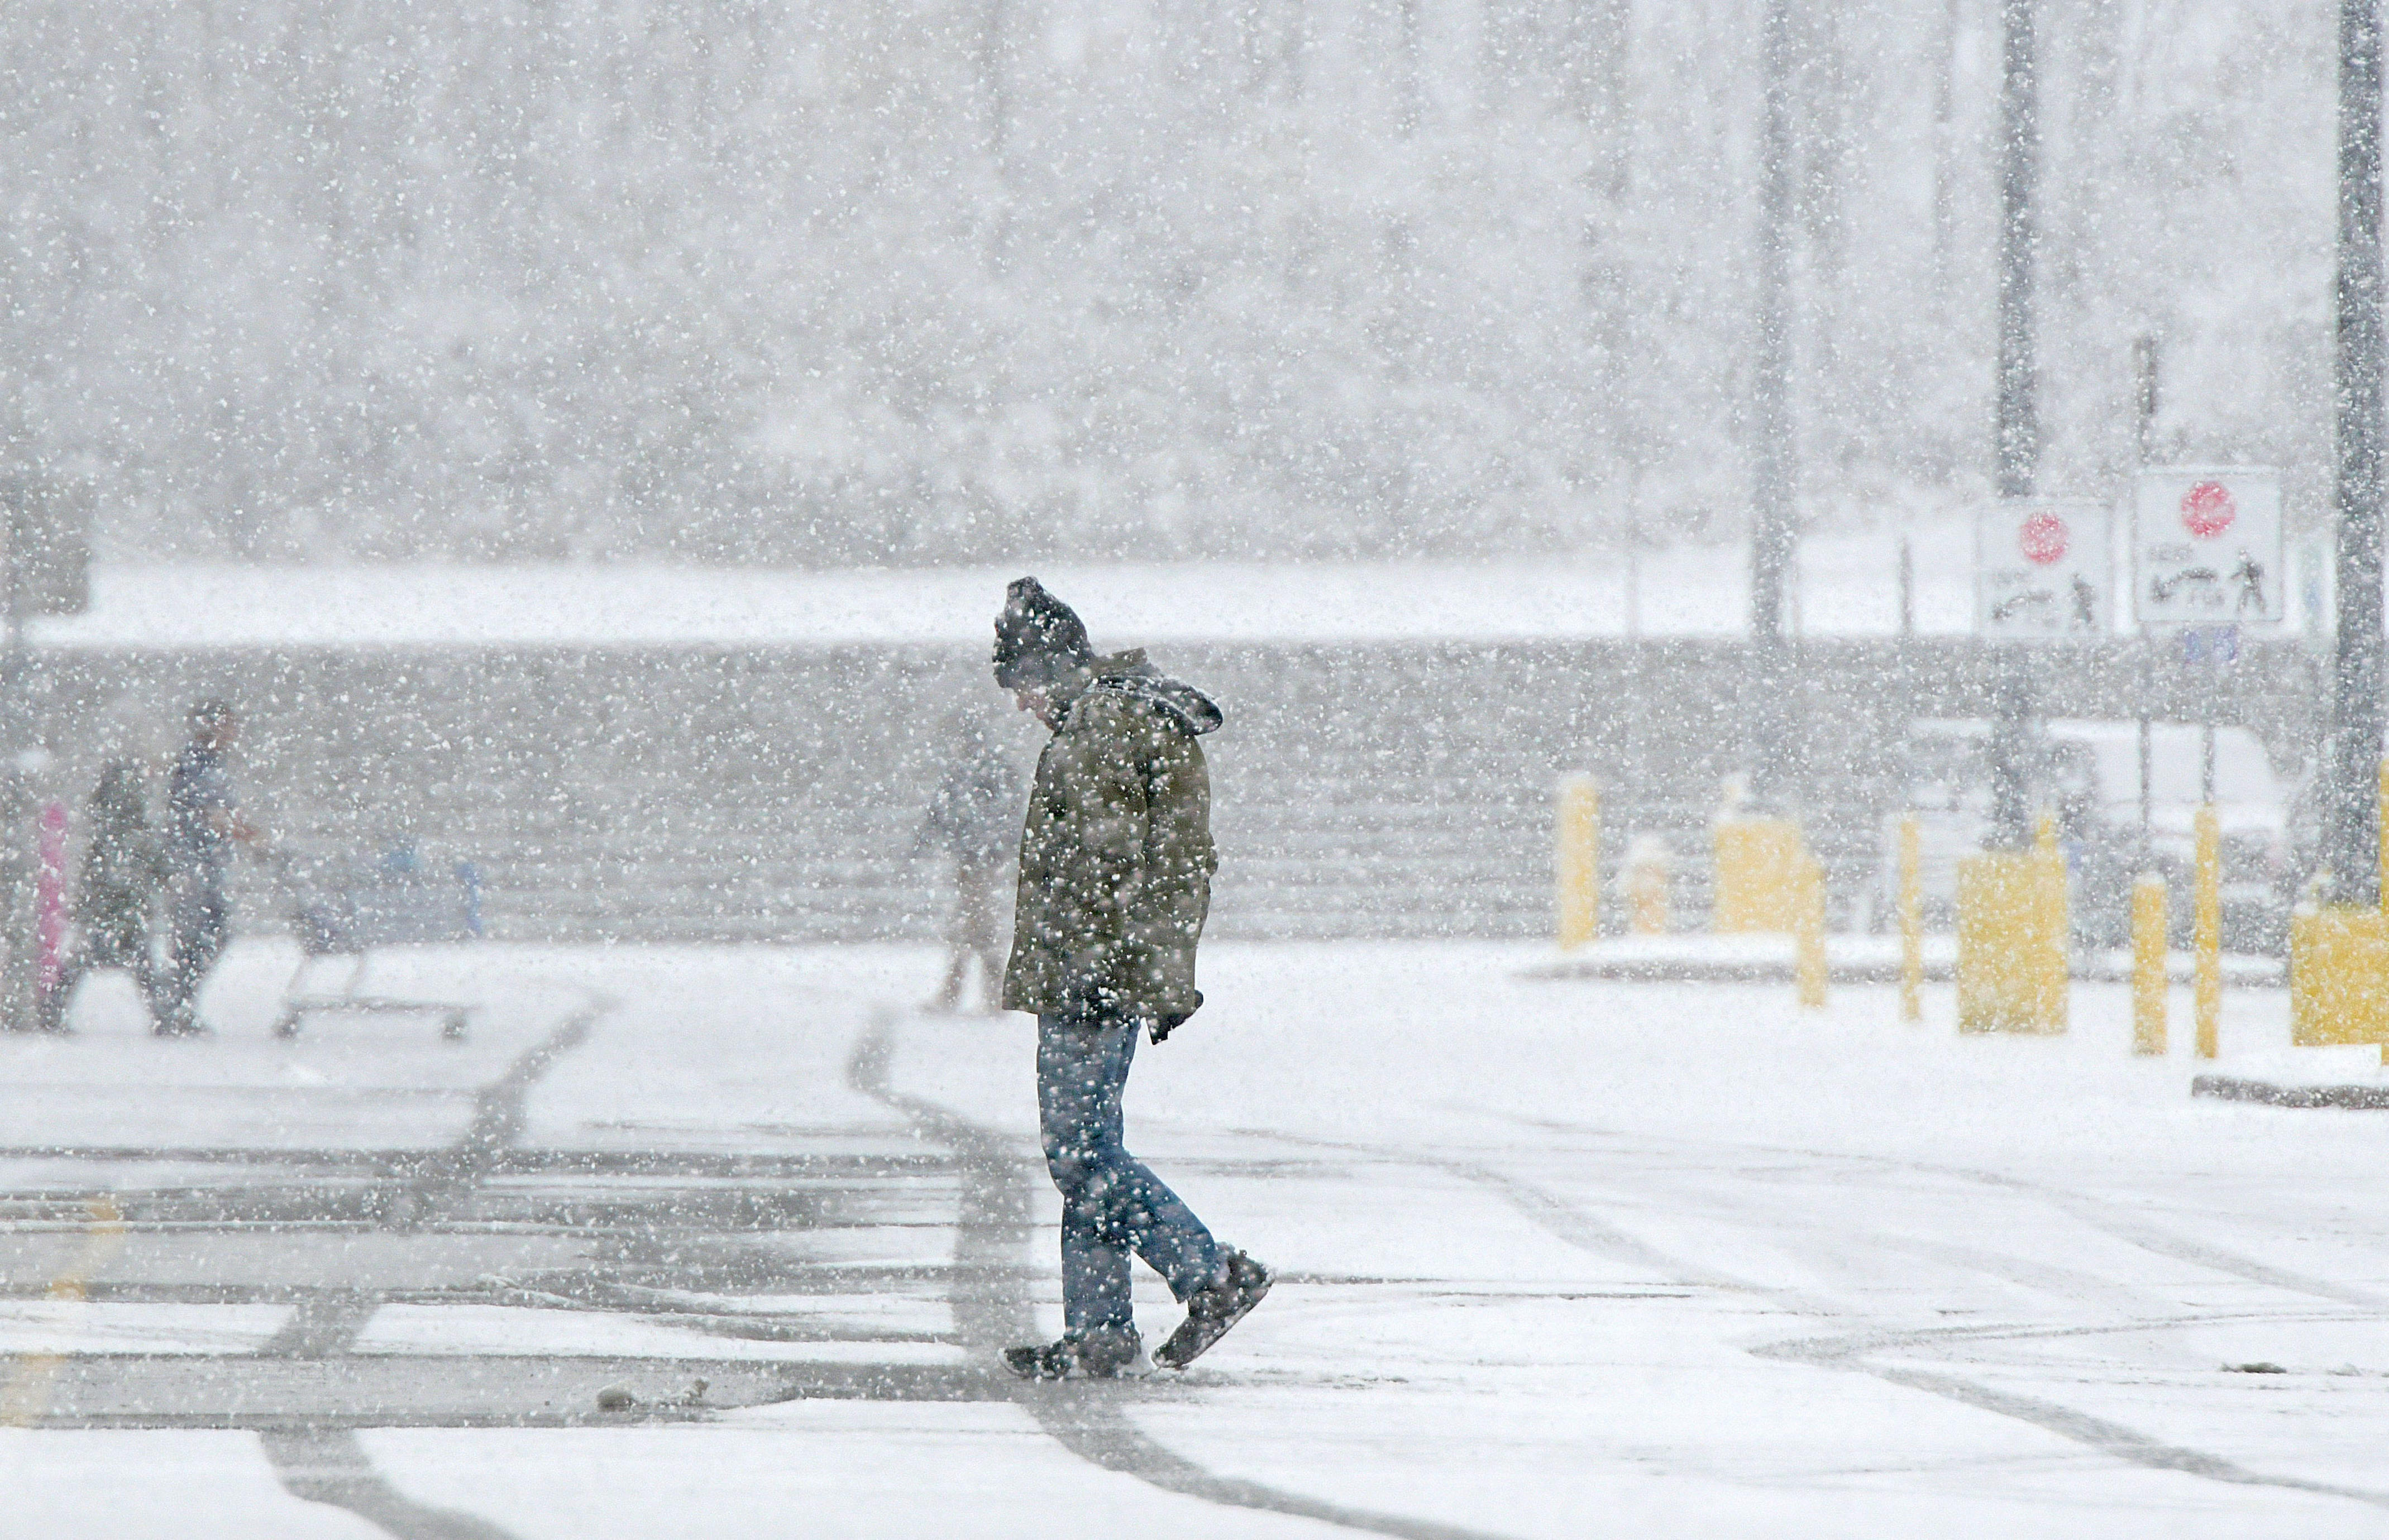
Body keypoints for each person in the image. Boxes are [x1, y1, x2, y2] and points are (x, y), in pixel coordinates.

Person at [990, 576, 1272, 1379]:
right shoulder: (1121, 717)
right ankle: (1101, 1333)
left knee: (1081, 1158)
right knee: (1091, 1152)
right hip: (1101, 969)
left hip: (1087, 974)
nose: (1020, 705)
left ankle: (1208, 1275)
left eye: (1022, 684)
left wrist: (1120, 971)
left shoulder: (1099, 729)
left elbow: (1115, 866)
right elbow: (1166, 863)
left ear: (1053, 667)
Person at [157, 699, 266, 1036]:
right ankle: (175, 1007)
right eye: (229, 724)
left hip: (207, 866)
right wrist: (248, 834)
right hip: (195, 867)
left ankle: (177, 1004)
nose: (235, 732)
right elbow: (208, 813)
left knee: (205, 938)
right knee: (198, 939)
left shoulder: (210, 763)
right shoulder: (196, 764)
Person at [36, 761, 169, 1034]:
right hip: (123, 912)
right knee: (139, 966)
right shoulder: (130, 830)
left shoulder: (107, 825)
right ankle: (165, 1015)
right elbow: (141, 868)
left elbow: (98, 872)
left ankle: (52, 1009)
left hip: (108, 912)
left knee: (90, 961)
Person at [919, 714, 1021, 1014]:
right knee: (975, 924)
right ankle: (986, 994)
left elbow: (945, 809)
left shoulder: (974, 772)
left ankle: (969, 993)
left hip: (978, 858)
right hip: (982, 856)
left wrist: (929, 838)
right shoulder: (989, 769)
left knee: (974, 925)